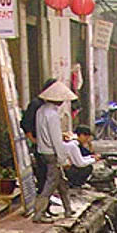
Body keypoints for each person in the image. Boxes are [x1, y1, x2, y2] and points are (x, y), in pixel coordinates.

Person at [33, 81, 77, 221]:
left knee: (61, 182)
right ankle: (38, 214)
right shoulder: (52, 115)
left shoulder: (41, 111)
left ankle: (68, 209)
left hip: (43, 150)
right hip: (52, 152)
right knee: (51, 183)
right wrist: (63, 158)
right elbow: (56, 140)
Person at [21, 77, 56, 192]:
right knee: (43, 174)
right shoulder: (37, 104)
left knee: (48, 175)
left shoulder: (48, 106)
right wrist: (33, 139)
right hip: (40, 144)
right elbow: (26, 123)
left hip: (45, 143)